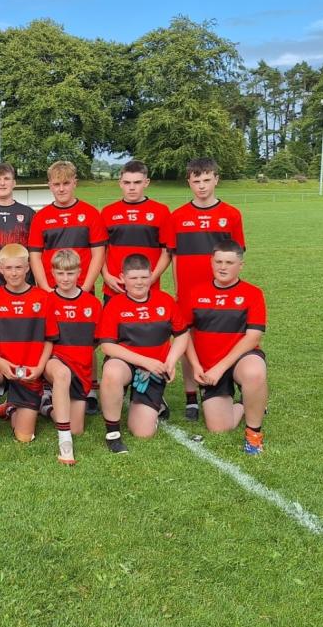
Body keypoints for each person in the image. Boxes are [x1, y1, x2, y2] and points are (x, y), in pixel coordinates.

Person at [166, 157, 246, 421]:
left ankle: (231, 387)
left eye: (206, 180)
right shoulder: (177, 216)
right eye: (196, 180)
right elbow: (175, 258)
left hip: (221, 292)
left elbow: (236, 256)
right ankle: (191, 396)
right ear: (189, 181)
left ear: (216, 180)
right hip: (189, 293)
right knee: (187, 341)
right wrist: (179, 291)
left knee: (222, 338)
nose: (201, 186)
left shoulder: (231, 215)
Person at [0, 244, 57, 463]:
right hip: (1, 367)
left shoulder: (43, 298)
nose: (14, 273)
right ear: (1, 269)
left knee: (24, 437)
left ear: (28, 268)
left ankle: (11, 407)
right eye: (9, 268)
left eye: (19, 267)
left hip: (29, 371)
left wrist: (41, 368)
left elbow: (49, 339)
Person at [181, 241, 268, 455]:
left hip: (240, 359)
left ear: (241, 265)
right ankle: (249, 402)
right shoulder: (195, 293)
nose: (223, 267)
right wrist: (196, 366)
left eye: (229, 262)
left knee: (254, 372)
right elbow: (183, 335)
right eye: (218, 261)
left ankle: (253, 437)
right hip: (209, 367)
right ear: (211, 262)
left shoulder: (253, 293)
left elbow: (253, 337)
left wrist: (220, 367)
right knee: (219, 428)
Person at [97, 253, 190, 448]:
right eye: (133, 278)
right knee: (112, 370)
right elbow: (107, 346)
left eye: (144, 277)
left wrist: (171, 362)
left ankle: (157, 405)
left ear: (151, 276)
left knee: (143, 432)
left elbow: (182, 335)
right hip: (127, 364)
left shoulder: (165, 301)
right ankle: (113, 433)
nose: (139, 283)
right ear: (123, 278)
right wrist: (144, 361)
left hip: (154, 371)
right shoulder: (114, 305)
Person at [39, 249, 101, 463]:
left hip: (81, 368)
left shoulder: (92, 304)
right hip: (54, 363)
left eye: (70, 273)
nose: (65, 279)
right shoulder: (45, 301)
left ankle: (46, 406)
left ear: (79, 273)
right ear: (53, 274)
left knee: (77, 428)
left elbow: (96, 340)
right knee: (62, 374)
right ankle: (65, 444)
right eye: (60, 273)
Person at [28, 160, 107, 293]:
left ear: (74, 183)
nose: (61, 189)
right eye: (56, 184)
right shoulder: (40, 217)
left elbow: (98, 254)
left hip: (82, 288)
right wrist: (45, 288)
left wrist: (86, 288)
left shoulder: (91, 213)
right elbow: (35, 257)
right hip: (51, 290)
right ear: (50, 186)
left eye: (66, 183)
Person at [100, 160, 171, 299]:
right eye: (127, 183)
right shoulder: (108, 212)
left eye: (137, 182)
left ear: (146, 182)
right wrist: (107, 276)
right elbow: (99, 251)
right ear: (120, 183)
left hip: (149, 289)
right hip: (115, 288)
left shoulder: (161, 211)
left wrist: (152, 278)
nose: (132, 187)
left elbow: (166, 251)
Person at [0, 163, 34, 294]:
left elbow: (35, 253)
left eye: (6, 179)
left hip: (23, 283)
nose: (2, 183)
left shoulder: (28, 213)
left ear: (14, 183)